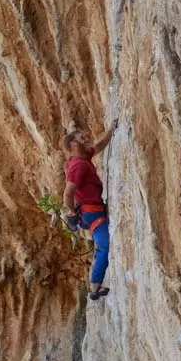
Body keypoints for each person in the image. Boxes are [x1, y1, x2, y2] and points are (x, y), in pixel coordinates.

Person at [63, 120, 118, 300]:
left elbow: (99, 145)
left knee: (101, 243)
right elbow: (68, 194)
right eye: (81, 137)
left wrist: (111, 130)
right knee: (105, 246)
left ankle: (95, 283)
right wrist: (72, 212)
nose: (86, 138)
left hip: (92, 212)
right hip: (92, 213)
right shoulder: (78, 165)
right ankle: (94, 287)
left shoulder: (82, 158)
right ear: (73, 144)